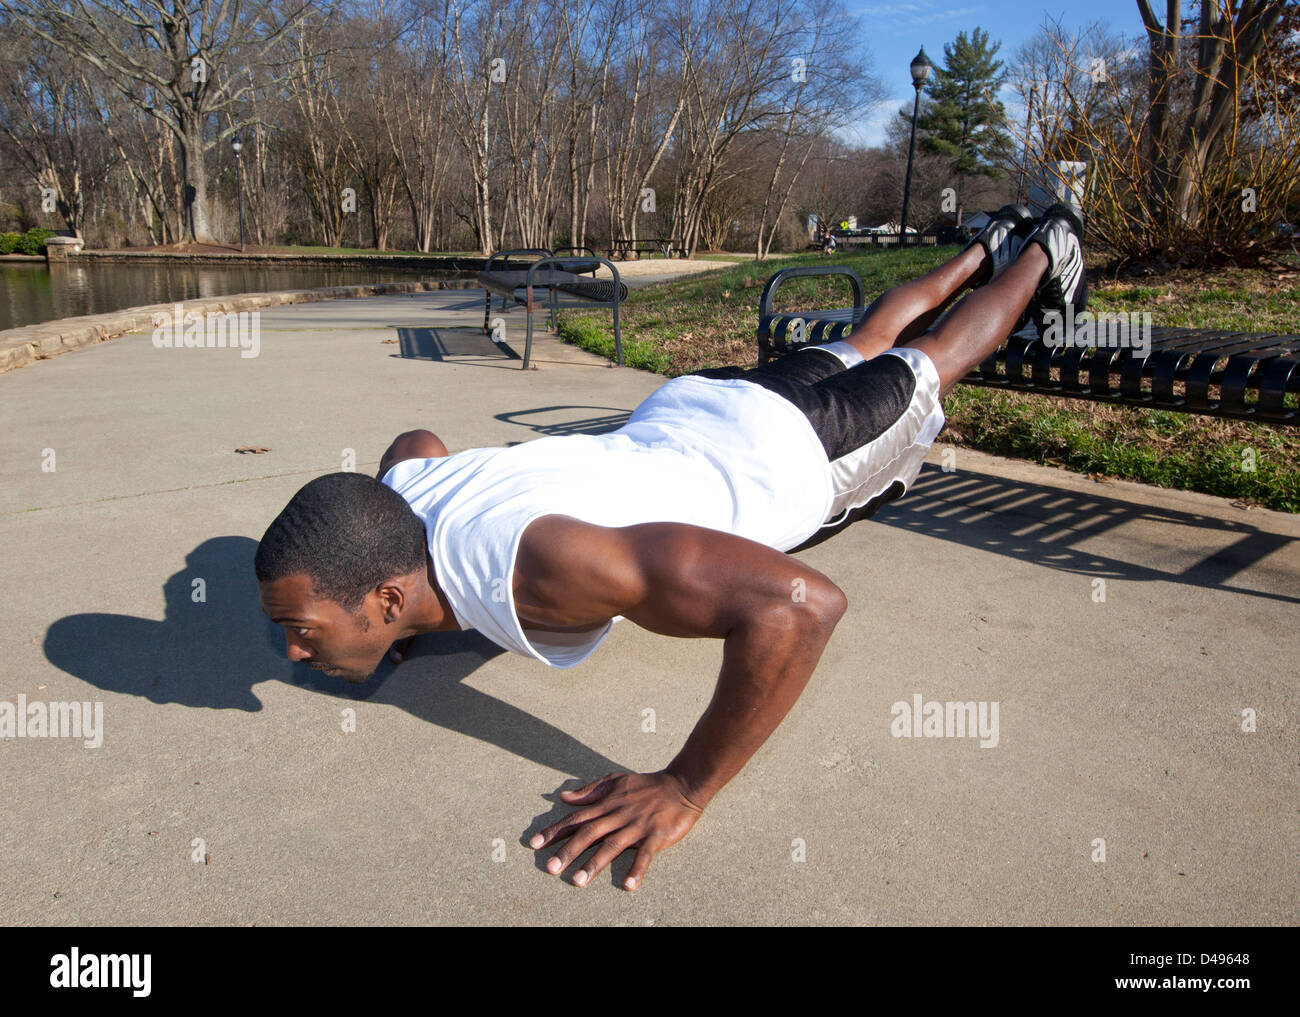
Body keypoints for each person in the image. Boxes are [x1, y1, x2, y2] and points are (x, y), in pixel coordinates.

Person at [256, 203, 1086, 892]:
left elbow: (799, 607)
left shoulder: (546, 570)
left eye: (304, 628)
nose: (291, 649)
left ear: (388, 595)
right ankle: (988, 241)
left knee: (932, 361)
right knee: (871, 341)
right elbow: (416, 439)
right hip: (696, 409)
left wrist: (685, 787)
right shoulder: (401, 500)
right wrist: (385, 622)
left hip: (786, 457)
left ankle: (1046, 246)